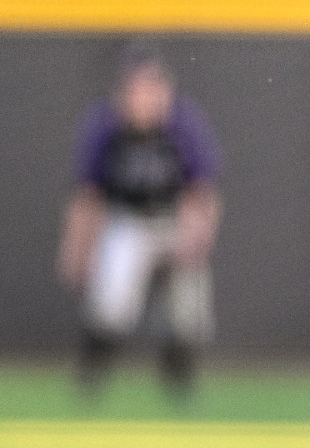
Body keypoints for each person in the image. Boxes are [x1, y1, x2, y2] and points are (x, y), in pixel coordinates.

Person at [56, 43, 224, 398]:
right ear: (124, 92)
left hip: (175, 218)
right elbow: (88, 197)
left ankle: (179, 386)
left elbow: (203, 193)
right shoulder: (107, 126)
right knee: (111, 306)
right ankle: (90, 381)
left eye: (153, 88)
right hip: (128, 221)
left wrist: (198, 238)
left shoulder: (182, 124)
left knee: (187, 313)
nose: (145, 97)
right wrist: (76, 248)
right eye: (137, 89)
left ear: (166, 90)